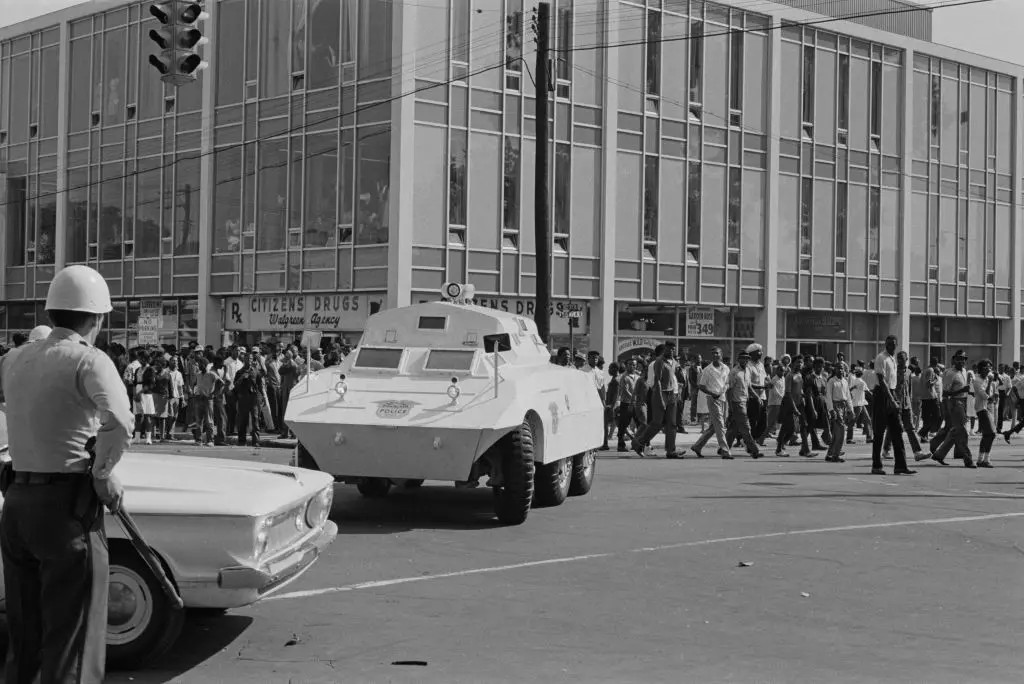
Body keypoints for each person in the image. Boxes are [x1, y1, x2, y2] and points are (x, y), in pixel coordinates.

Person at [0, 264, 132, 683]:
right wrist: (104, 470)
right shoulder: (89, 360)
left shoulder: (13, 358)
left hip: (17, 502)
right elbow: (120, 421)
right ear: (95, 318)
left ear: (51, 311)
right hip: (65, 506)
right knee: (73, 637)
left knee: (26, 633)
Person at [870, 335, 915, 475]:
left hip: (892, 394)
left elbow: (893, 383)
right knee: (879, 432)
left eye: (894, 344)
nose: (891, 346)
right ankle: (876, 466)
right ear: (885, 344)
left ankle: (900, 465)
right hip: (882, 396)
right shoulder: (881, 358)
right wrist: (891, 399)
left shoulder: (892, 359)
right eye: (889, 344)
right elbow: (881, 380)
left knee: (897, 431)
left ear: (896, 345)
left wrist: (895, 398)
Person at [632, 343, 680, 458]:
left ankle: (671, 451)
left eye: (674, 349)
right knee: (657, 423)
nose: (672, 351)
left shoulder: (673, 362)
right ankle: (639, 443)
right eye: (669, 349)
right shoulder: (659, 361)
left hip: (672, 394)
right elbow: (656, 381)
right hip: (660, 394)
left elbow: (672, 379)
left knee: (672, 424)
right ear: (665, 350)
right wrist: (660, 398)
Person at [931, 349, 974, 468]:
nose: (961, 361)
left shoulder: (965, 371)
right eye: (958, 358)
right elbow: (945, 393)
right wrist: (962, 390)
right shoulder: (950, 373)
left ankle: (939, 454)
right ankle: (968, 459)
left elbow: (966, 388)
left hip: (964, 402)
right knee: (962, 432)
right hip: (954, 403)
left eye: (963, 359)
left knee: (955, 431)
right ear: (954, 360)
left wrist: (969, 392)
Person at [881, 351, 927, 462]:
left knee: (910, 428)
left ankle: (917, 452)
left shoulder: (908, 372)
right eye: (899, 358)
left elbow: (908, 388)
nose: (900, 360)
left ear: (906, 359)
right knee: (894, 428)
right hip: (896, 404)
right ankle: (886, 449)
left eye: (902, 358)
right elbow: (890, 387)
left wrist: (909, 403)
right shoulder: (894, 371)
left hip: (906, 404)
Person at [690, 347, 732, 459]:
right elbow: (701, 386)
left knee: (714, 426)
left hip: (723, 398)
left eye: (717, 354)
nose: (715, 356)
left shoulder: (726, 368)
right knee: (720, 425)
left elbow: (727, 382)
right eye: (713, 354)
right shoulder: (707, 370)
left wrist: (724, 390)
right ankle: (725, 450)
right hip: (712, 399)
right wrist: (712, 392)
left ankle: (697, 446)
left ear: (721, 355)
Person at [724, 351, 762, 458]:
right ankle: (754, 450)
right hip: (737, 402)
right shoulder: (734, 372)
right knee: (746, 427)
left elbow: (749, 387)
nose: (745, 360)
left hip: (745, 402)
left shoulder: (748, 370)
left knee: (734, 427)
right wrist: (730, 407)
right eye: (743, 358)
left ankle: (723, 448)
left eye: (747, 358)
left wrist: (757, 396)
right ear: (738, 359)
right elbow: (729, 390)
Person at [823, 363, 852, 463]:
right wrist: (831, 410)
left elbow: (848, 397)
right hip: (835, 406)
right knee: (841, 431)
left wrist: (850, 409)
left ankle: (830, 454)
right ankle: (836, 455)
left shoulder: (845, 381)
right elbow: (828, 397)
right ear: (835, 369)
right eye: (839, 368)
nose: (840, 370)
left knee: (836, 433)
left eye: (842, 368)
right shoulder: (831, 381)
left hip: (843, 406)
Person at [972, 359, 997, 468]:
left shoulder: (987, 379)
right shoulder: (977, 380)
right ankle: (986, 459)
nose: (988, 369)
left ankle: (980, 459)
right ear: (980, 369)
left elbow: (991, 396)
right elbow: (985, 396)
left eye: (990, 367)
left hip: (989, 408)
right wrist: (990, 382)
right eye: (986, 367)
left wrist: (992, 396)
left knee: (987, 435)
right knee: (991, 434)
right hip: (982, 409)